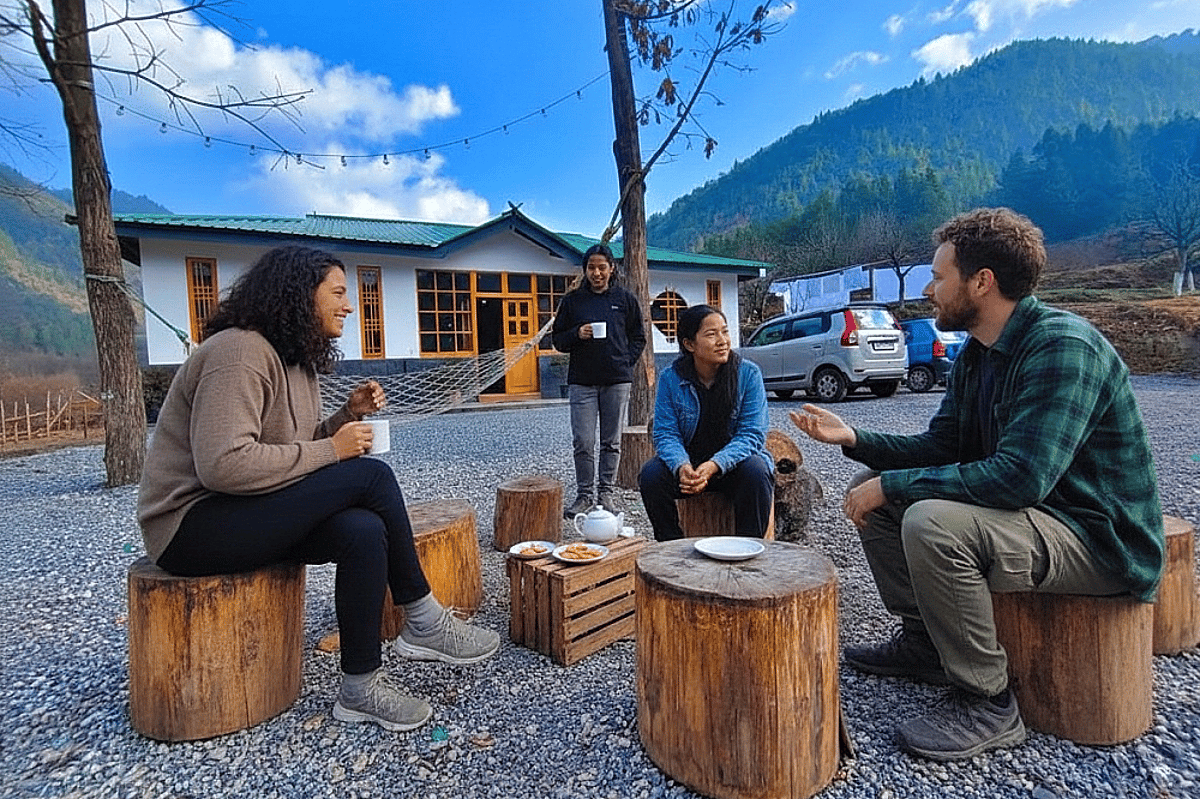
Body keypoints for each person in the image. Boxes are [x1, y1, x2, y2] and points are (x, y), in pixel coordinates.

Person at [791, 208, 1165, 762]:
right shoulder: (979, 356)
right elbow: (941, 448)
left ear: (981, 282)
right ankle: (925, 643)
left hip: (1096, 535)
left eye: (939, 277)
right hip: (1039, 515)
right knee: (878, 486)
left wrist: (897, 488)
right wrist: (852, 436)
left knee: (929, 520)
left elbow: (1020, 477)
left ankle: (989, 701)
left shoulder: (1063, 346)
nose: (928, 288)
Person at [137, 245, 499, 734]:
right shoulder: (237, 352)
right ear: (299, 296)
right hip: (193, 525)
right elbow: (223, 465)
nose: (350, 306)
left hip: (248, 509)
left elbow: (293, 454)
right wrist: (337, 449)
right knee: (371, 475)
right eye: (339, 293)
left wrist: (346, 417)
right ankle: (423, 618)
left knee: (363, 530)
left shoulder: (298, 363)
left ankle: (359, 688)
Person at [638, 304, 774, 541]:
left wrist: (715, 465)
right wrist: (682, 466)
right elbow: (665, 434)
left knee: (757, 471)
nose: (722, 341)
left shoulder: (748, 374)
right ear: (689, 344)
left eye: (725, 331)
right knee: (651, 475)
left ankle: (749, 547)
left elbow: (752, 434)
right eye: (711, 334)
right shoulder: (671, 379)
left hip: (733, 467)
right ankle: (670, 546)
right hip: (691, 470)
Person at [551, 243, 646, 518]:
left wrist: (625, 362)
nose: (596, 273)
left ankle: (606, 492)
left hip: (616, 381)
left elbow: (638, 336)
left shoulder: (625, 300)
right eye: (591, 268)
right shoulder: (572, 301)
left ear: (611, 268)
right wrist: (576, 334)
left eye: (601, 267)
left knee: (611, 440)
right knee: (582, 440)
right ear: (585, 270)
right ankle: (584, 495)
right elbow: (557, 340)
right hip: (582, 381)